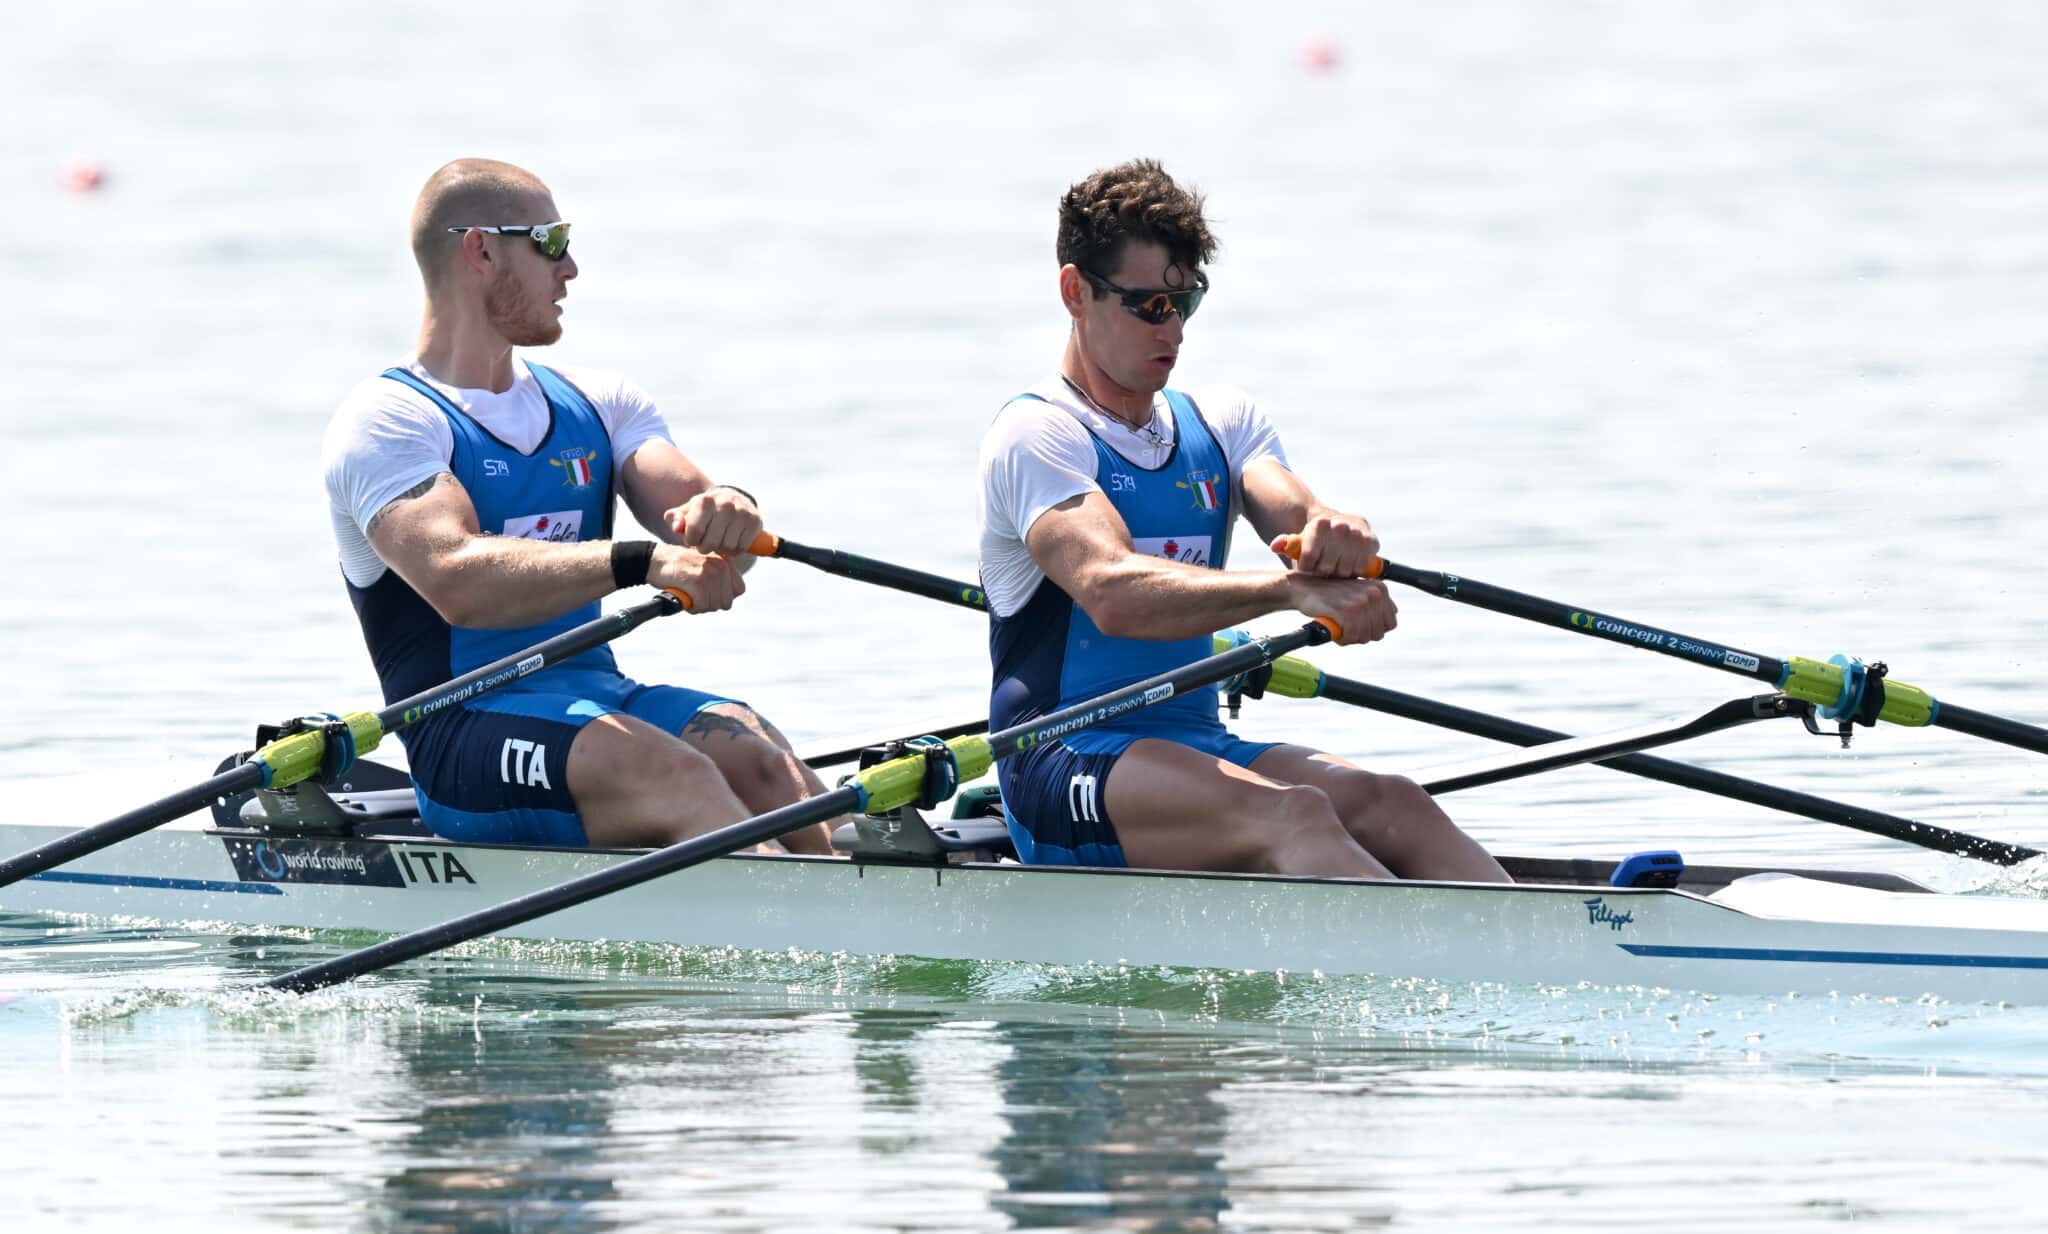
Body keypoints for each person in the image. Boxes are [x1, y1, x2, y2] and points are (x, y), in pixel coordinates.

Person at [977, 159, 1509, 881]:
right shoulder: (1038, 437)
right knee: (1296, 813)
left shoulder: (1221, 421)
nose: (1176, 330)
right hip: (1063, 760)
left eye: (1186, 302)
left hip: (1194, 746)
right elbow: (1109, 590)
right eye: (1149, 307)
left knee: (1394, 803)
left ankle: (1567, 956)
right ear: (1076, 292)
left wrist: (1333, 532)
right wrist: (1291, 592)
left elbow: (1294, 508)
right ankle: (1441, 979)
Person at [321, 157, 837, 852]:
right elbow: (456, 579)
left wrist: (731, 509)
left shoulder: (601, 401)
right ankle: (798, 942)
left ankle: (857, 927)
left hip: (598, 695)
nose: (571, 270)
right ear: (481, 249)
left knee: (765, 763)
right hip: (462, 729)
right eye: (553, 243)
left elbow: (696, 518)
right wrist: (641, 562)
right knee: (679, 775)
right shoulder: (390, 421)